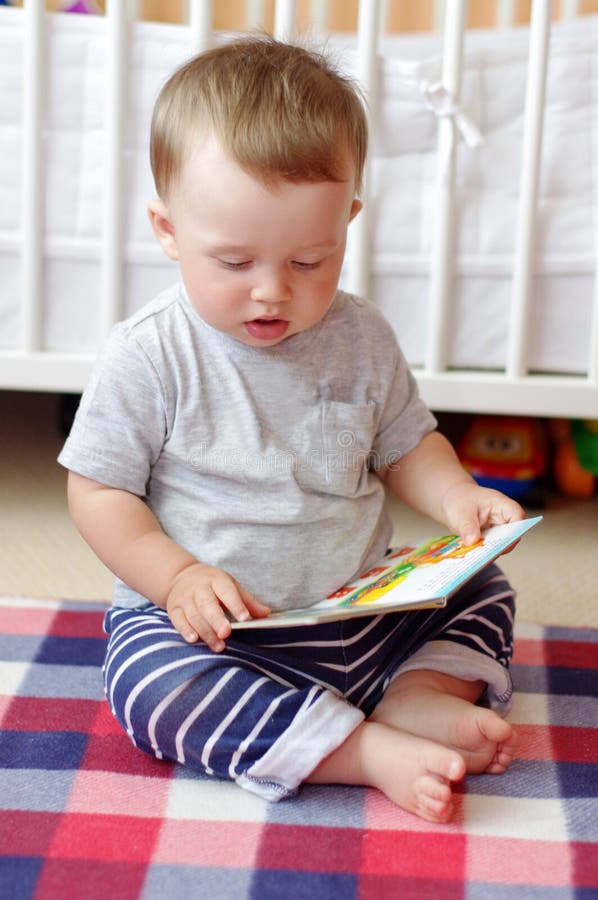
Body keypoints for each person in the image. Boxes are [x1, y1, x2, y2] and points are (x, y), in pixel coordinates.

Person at [59, 35, 523, 823]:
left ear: (347, 220)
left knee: (484, 587)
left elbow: (405, 445)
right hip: (216, 634)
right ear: (168, 230)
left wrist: (456, 498)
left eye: (309, 261)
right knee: (148, 689)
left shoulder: (362, 336)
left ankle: (417, 695)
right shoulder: (149, 354)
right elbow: (99, 491)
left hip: (360, 613)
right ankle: (359, 751)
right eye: (234, 262)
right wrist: (176, 578)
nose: (271, 291)